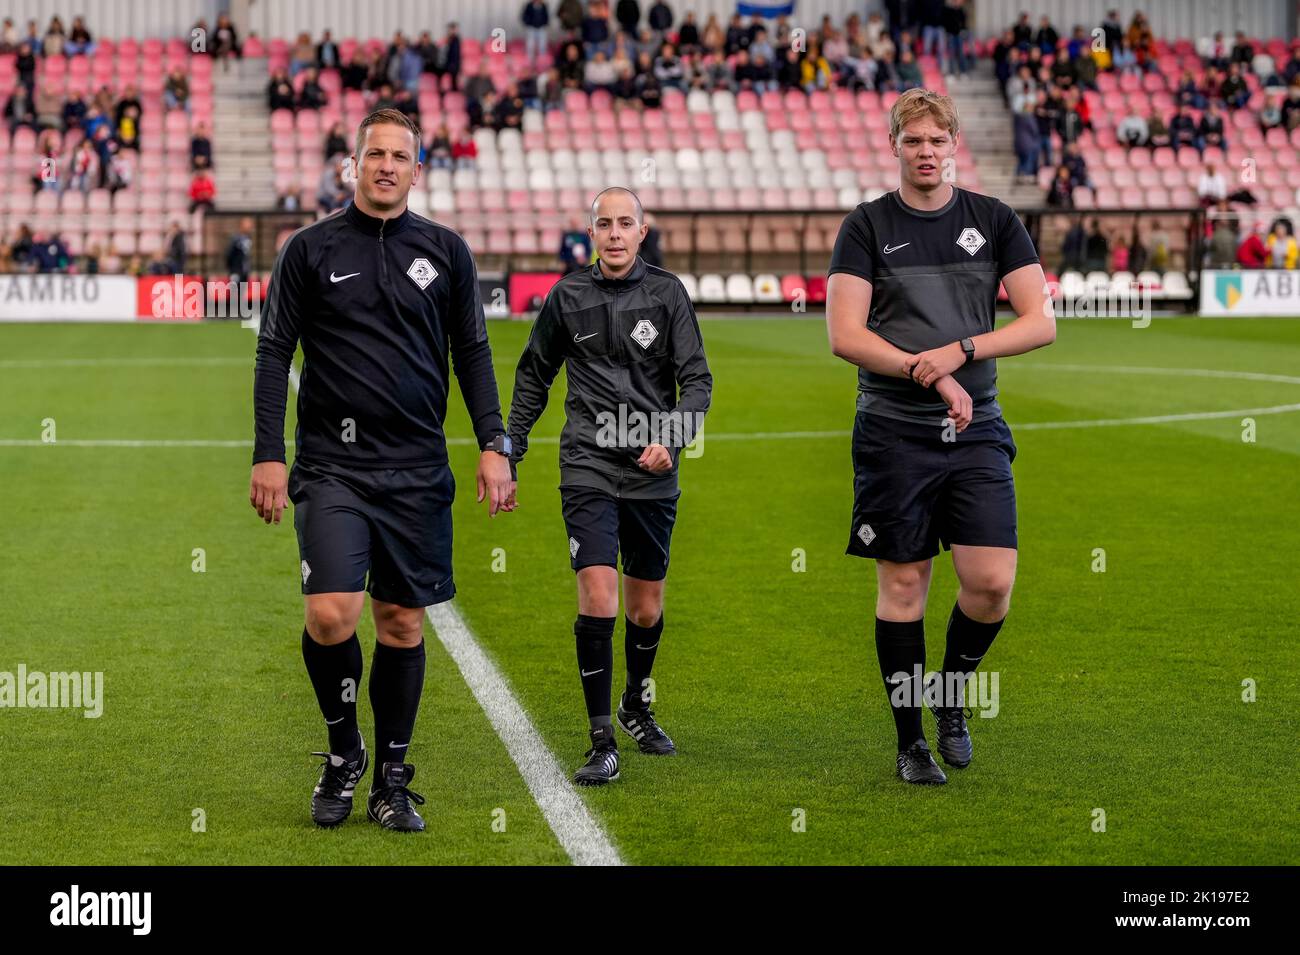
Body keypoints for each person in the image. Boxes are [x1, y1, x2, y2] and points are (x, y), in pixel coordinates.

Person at [250, 108, 513, 832]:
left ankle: (393, 775)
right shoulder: (309, 249)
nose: (387, 164)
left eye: (401, 155)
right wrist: (267, 452)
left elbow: (474, 352)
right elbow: (274, 351)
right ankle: (343, 753)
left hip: (417, 468)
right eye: (375, 153)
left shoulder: (448, 252)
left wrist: (495, 441)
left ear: (416, 168)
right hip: (333, 466)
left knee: (400, 622)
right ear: (353, 165)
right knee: (332, 613)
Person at [825, 88, 1054, 786]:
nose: (925, 151)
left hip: (976, 426)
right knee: (903, 585)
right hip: (894, 432)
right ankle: (910, 741)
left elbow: (1040, 321)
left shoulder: (995, 220)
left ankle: (951, 695)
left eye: (936, 140)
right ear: (894, 145)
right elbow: (845, 335)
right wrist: (930, 376)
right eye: (913, 140)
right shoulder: (865, 226)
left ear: (955, 145)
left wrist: (961, 351)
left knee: (991, 583)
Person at [505, 187, 712, 786]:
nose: (615, 233)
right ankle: (601, 740)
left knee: (646, 608)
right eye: (604, 224)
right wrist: (511, 446)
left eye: (626, 223)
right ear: (590, 232)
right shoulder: (567, 296)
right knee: (600, 598)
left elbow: (697, 380)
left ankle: (636, 707)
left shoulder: (668, 294)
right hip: (587, 464)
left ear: (642, 232)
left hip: (653, 471)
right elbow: (533, 375)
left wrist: (670, 437)